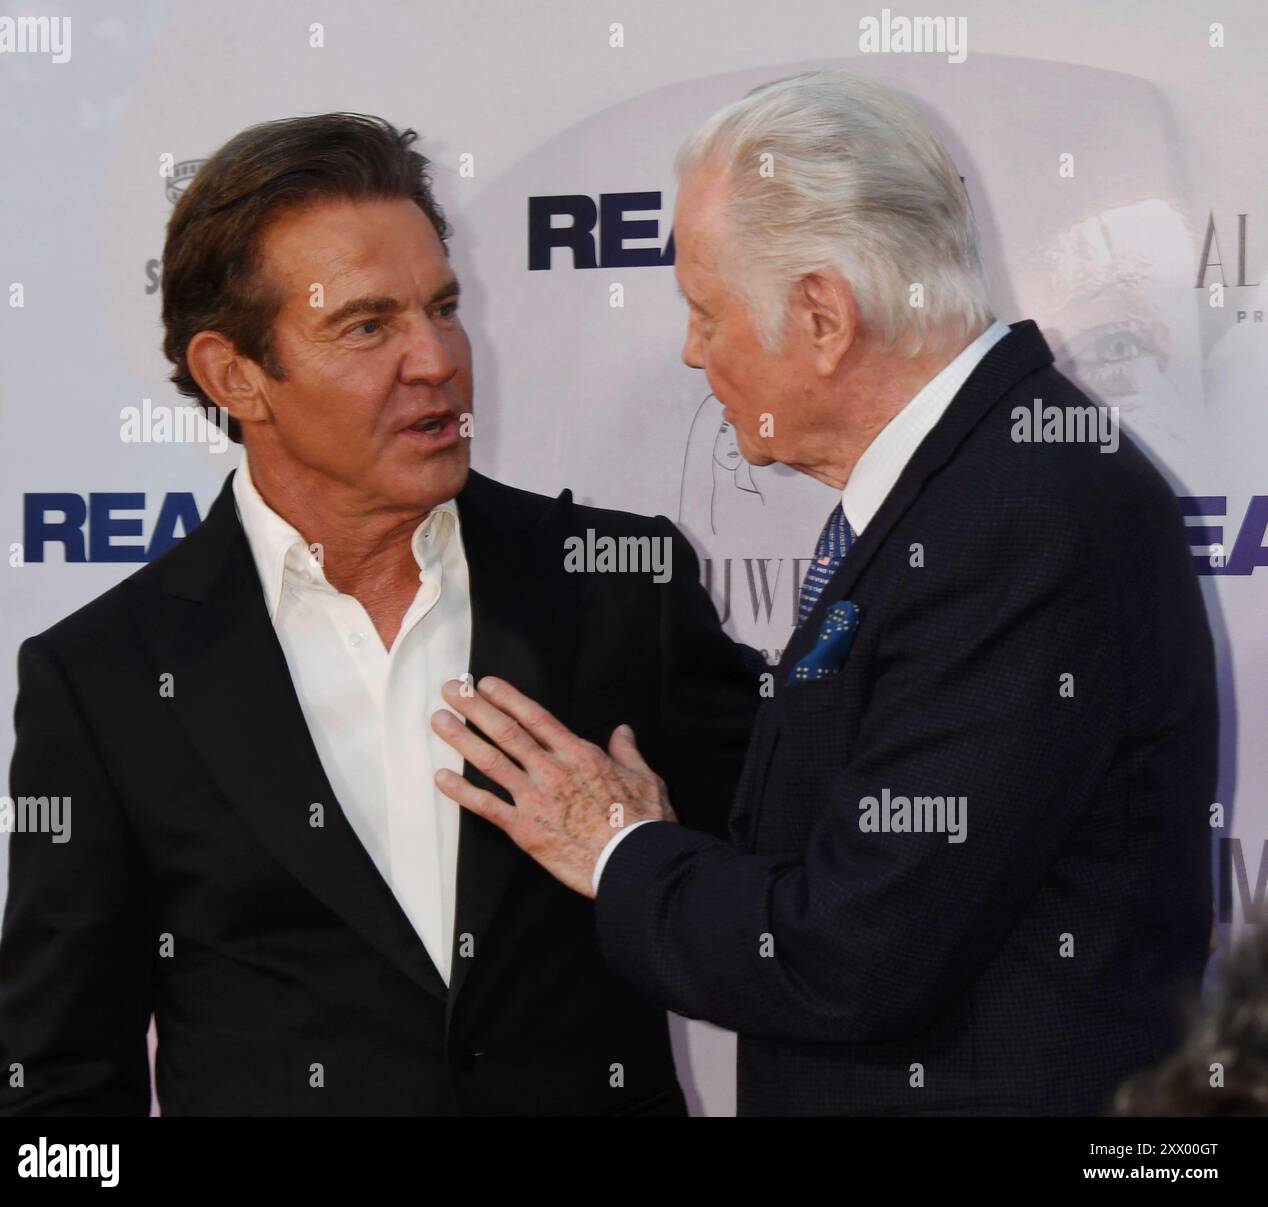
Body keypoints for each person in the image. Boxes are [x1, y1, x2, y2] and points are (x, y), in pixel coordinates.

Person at [430, 72, 1219, 1116]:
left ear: (821, 316)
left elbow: (854, 951)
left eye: (704, 311)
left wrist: (614, 850)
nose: (691, 350)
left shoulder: (1020, 514)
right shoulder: (964, 492)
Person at [0, 113, 758, 1117]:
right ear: (235, 376)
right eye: (366, 324)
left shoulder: (614, 584)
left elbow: (800, 910)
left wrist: (647, 853)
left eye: (441, 307)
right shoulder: (107, 678)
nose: (434, 360)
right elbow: (61, 1087)